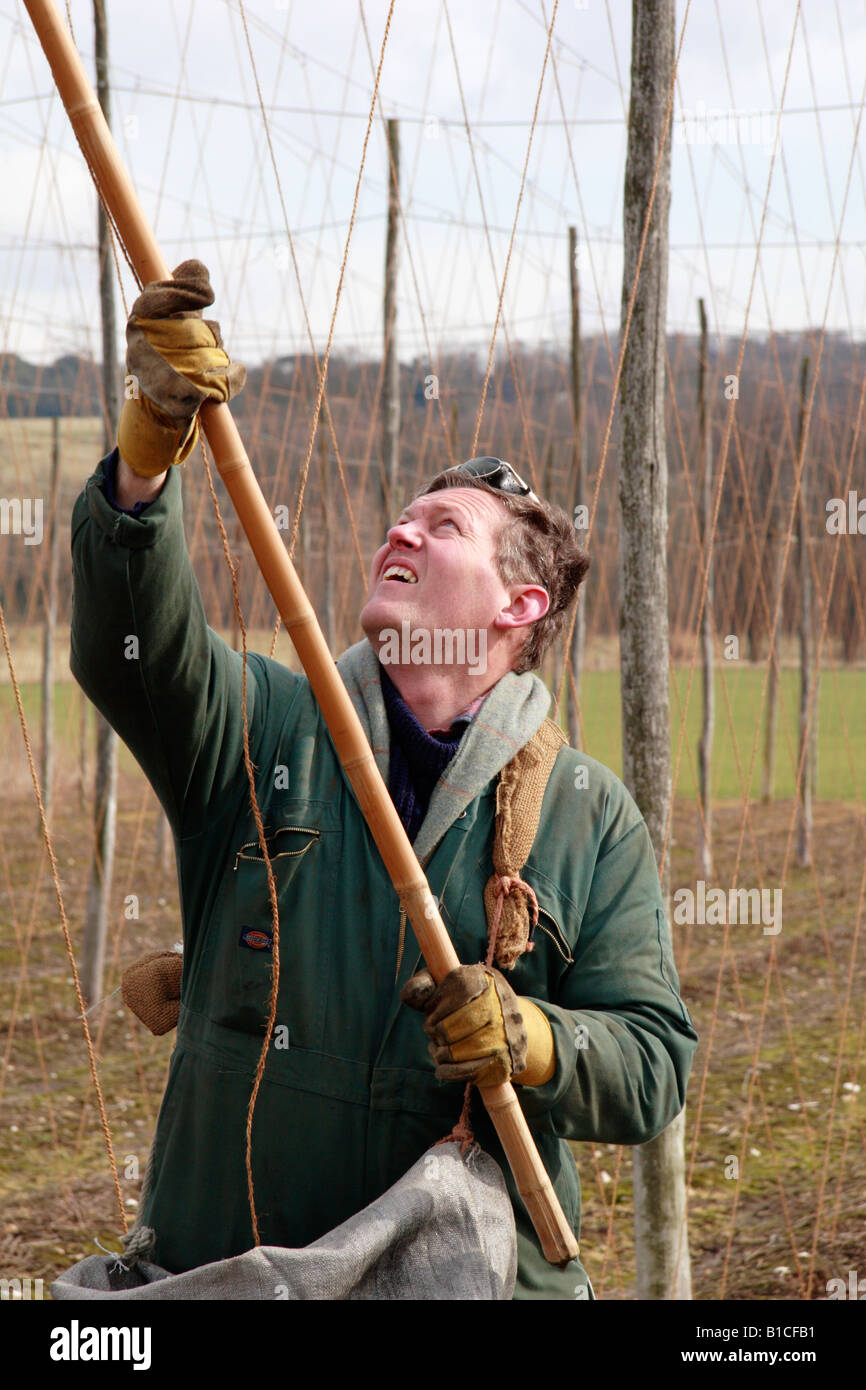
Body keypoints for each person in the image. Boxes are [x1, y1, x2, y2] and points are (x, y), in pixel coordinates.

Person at [70, 261, 698, 1300]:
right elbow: (128, 646)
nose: (397, 532)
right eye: (398, 519)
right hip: (224, 1271)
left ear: (517, 605)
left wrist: (529, 1035)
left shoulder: (587, 815)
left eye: (441, 527)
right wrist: (147, 450)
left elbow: (651, 1062)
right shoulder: (263, 723)